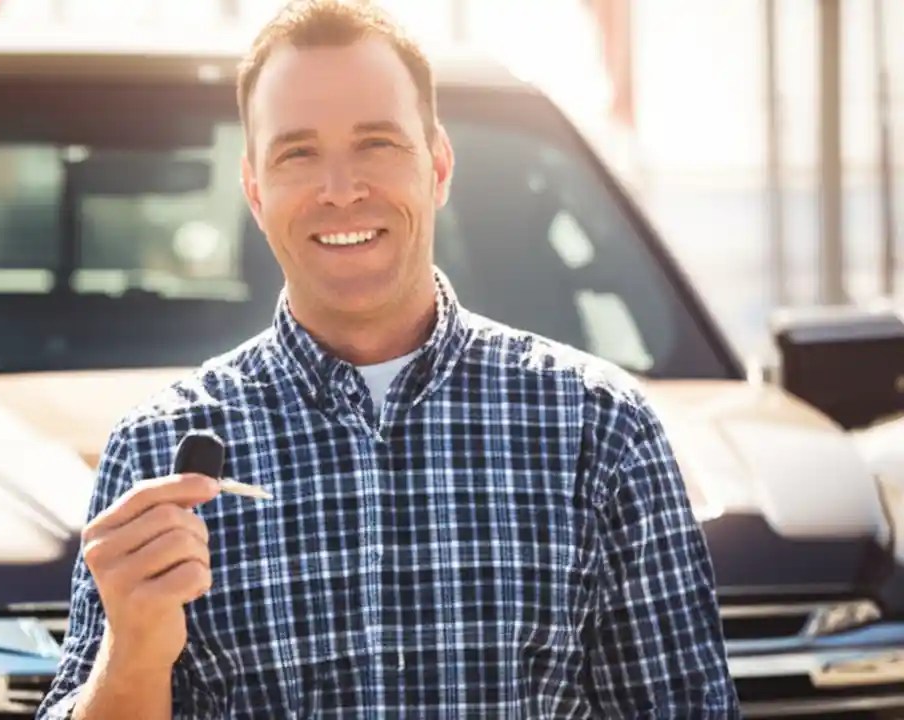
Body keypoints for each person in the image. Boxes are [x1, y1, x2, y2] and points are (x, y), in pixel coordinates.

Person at [38, 0, 739, 717]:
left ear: (437, 166)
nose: (341, 191)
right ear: (254, 189)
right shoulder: (155, 454)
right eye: (298, 153)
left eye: (376, 143)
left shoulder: (600, 430)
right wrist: (134, 652)